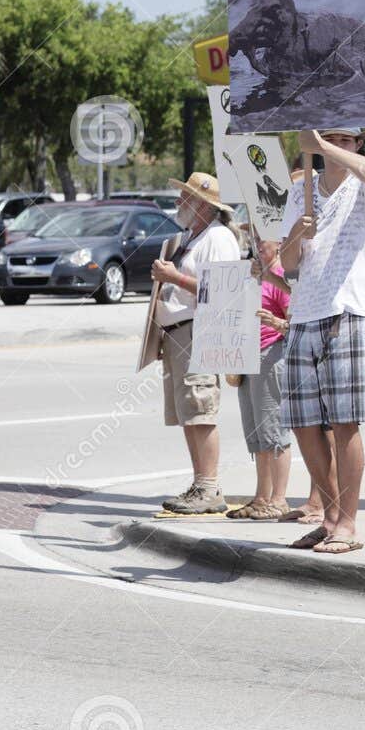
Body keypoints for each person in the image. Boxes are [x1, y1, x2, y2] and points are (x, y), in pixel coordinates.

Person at [277, 127, 365, 556]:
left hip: (350, 309)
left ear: (357, 145)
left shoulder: (364, 185)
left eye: (346, 141)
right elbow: (289, 263)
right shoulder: (301, 189)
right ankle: (328, 514)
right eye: (331, 139)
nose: (338, 147)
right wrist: (297, 236)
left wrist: (321, 147)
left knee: (344, 422)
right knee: (304, 423)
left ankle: (349, 522)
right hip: (305, 310)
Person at [151, 172, 243, 515]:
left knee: (200, 407)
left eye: (185, 198)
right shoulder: (194, 236)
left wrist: (173, 278)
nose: (179, 202)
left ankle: (208, 487)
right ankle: (200, 484)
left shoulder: (217, 238)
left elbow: (225, 292)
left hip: (199, 330)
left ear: (203, 206)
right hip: (181, 330)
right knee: (189, 412)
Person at [226, 239, 296, 521]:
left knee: (273, 430)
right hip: (248, 355)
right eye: (252, 239)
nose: (255, 244)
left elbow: (295, 322)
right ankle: (261, 497)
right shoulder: (251, 276)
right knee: (256, 431)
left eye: (260, 240)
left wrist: (276, 323)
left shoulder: (280, 277)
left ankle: (278, 499)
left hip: (271, 353)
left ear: (278, 244)